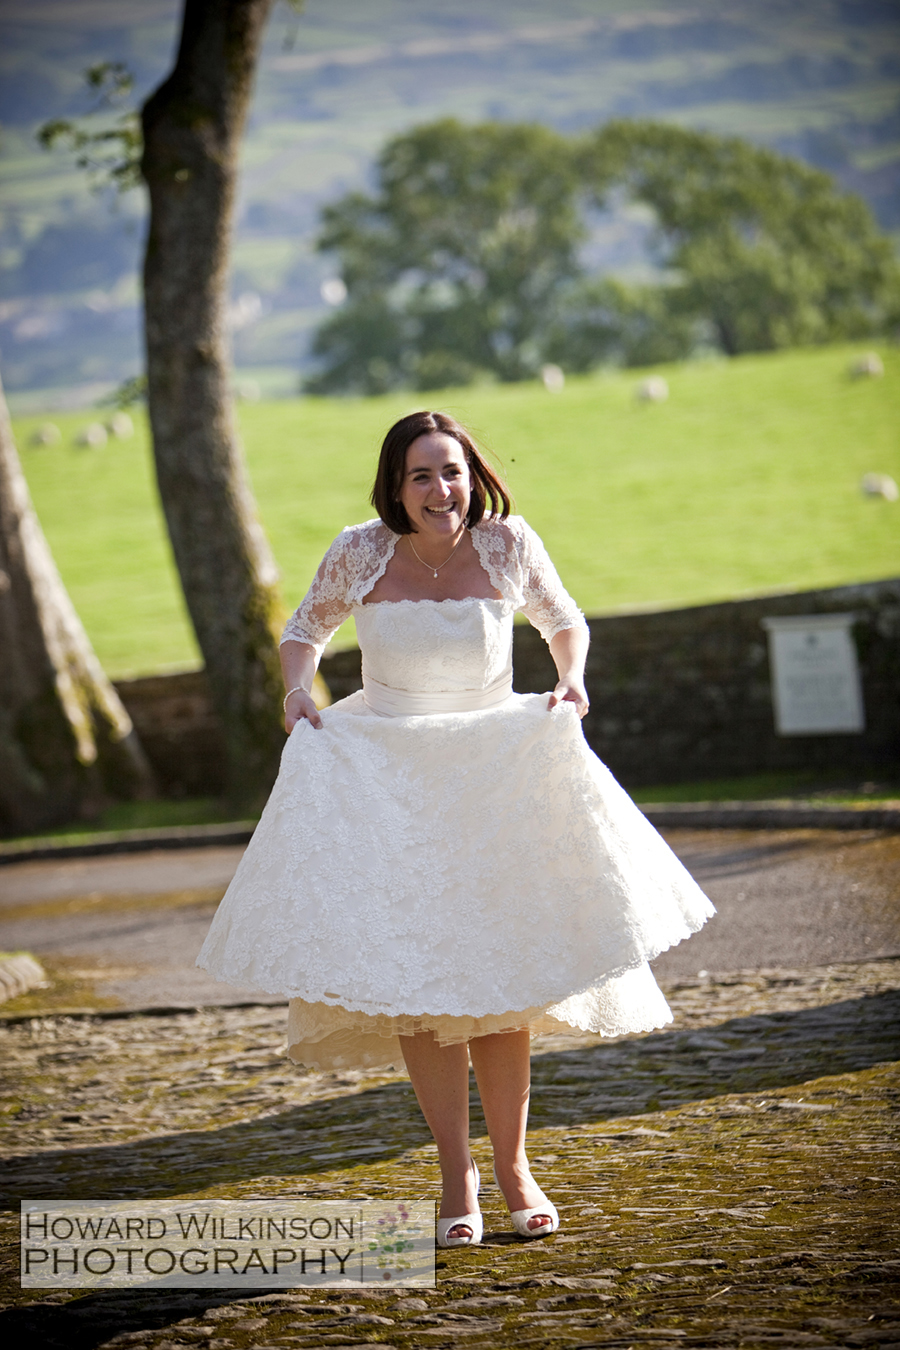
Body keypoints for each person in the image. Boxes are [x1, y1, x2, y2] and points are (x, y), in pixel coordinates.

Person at [197, 410, 714, 1248]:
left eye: (453, 472)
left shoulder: (508, 545)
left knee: (501, 983)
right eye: (422, 476)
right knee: (421, 989)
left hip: (494, 773)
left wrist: (571, 680)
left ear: (473, 475)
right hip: (390, 781)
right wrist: (298, 692)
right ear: (394, 486)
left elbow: (564, 621)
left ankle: (514, 1167)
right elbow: (302, 635)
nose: (442, 491)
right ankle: (454, 1173)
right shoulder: (359, 550)